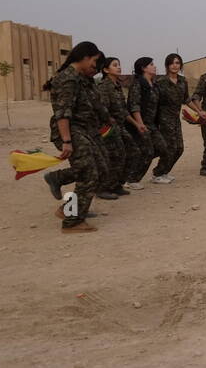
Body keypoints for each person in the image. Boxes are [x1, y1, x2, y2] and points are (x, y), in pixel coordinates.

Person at [41, 41, 106, 233]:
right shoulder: (68, 79)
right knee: (88, 173)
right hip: (71, 131)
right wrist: (67, 141)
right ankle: (72, 221)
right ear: (85, 57)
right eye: (94, 61)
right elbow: (63, 113)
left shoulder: (79, 78)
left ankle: (61, 190)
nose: (95, 66)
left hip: (84, 130)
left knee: (100, 169)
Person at [95, 55, 138, 195]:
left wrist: (136, 124)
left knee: (133, 151)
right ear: (106, 70)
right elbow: (102, 110)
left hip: (119, 126)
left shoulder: (117, 86)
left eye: (119, 64)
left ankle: (117, 183)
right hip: (107, 128)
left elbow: (123, 110)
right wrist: (111, 124)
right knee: (114, 156)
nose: (118, 67)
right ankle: (103, 187)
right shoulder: (104, 86)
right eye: (114, 65)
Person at [151, 53, 192, 183]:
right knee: (169, 148)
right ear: (167, 65)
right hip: (163, 119)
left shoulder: (182, 81)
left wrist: (199, 111)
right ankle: (158, 174)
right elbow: (153, 101)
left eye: (177, 63)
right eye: (172, 63)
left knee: (179, 148)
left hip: (175, 119)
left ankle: (163, 172)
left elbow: (186, 99)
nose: (175, 65)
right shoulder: (159, 81)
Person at [126, 56, 165, 187]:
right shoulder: (138, 84)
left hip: (152, 124)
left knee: (161, 147)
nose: (154, 66)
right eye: (151, 64)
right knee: (148, 151)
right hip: (141, 124)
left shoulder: (153, 84)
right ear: (143, 68)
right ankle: (132, 180)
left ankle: (133, 166)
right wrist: (140, 123)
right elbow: (134, 105)